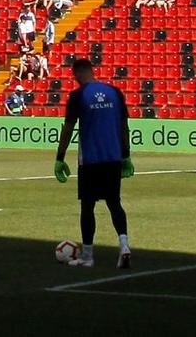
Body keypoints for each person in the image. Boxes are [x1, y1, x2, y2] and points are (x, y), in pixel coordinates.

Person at [53, 56, 133, 270]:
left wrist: (60, 157)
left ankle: (88, 256)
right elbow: (124, 126)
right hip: (113, 157)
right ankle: (124, 245)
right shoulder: (115, 92)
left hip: (90, 159)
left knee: (87, 206)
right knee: (114, 203)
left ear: (78, 74)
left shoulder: (78, 96)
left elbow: (68, 127)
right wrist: (126, 155)